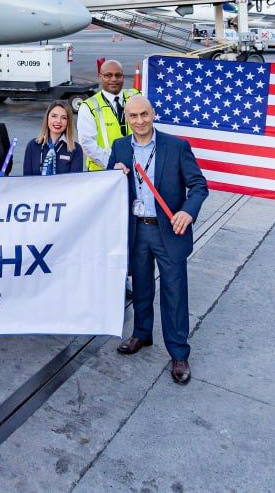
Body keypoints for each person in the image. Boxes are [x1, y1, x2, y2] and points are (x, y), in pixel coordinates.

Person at [108, 95, 208, 385]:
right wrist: (113, 174)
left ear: (153, 113)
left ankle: (178, 353)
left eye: (144, 114)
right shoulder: (120, 147)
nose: (139, 121)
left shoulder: (176, 147)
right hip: (136, 230)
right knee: (140, 286)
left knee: (174, 292)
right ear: (126, 118)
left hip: (168, 231)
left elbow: (199, 186)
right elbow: (110, 187)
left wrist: (187, 213)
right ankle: (142, 334)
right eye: (133, 116)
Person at [78, 59, 139, 171]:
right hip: (103, 171)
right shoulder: (89, 106)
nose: (114, 79)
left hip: (135, 169)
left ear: (123, 77)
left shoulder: (136, 96)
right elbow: (87, 143)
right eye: (108, 75)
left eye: (118, 75)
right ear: (100, 77)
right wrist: (112, 164)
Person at [23, 101, 84, 175]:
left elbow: (75, 182)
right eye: (54, 116)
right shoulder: (33, 145)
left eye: (64, 118)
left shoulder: (75, 149)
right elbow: (26, 179)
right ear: (47, 118)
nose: (58, 121)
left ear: (68, 122)